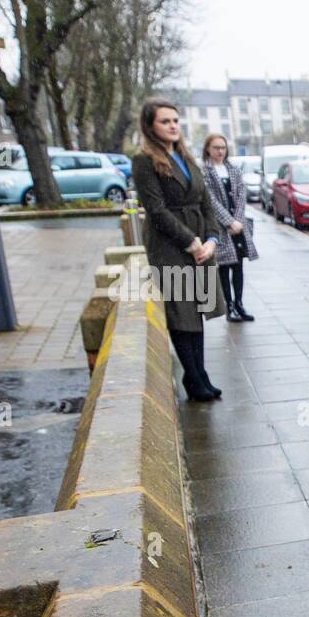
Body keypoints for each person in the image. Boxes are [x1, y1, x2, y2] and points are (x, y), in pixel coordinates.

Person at [131, 101, 224, 401]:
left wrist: (211, 238)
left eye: (175, 120)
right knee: (181, 311)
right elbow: (155, 209)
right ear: (150, 126)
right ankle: (193, 377)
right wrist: (190, 241)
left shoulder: (185, 155)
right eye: (164, 121)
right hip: (170, 245)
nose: (172, 126)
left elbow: (205, 201)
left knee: (197, 309)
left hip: (200, 241)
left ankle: (201, 373)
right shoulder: (144, 160)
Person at [203, 134, 259, 322]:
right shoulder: (205, 172)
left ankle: (240, 304)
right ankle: (229, 307)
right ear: (208, 149)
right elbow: (210, 201)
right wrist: (229, 222)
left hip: (238, 227)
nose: (220, 151)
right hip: (220, 228)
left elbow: (241, 196)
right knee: (224, 268)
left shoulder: (233, 169)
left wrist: (238, 221)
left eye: (223, 148)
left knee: (239, 267)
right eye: (216, 147)